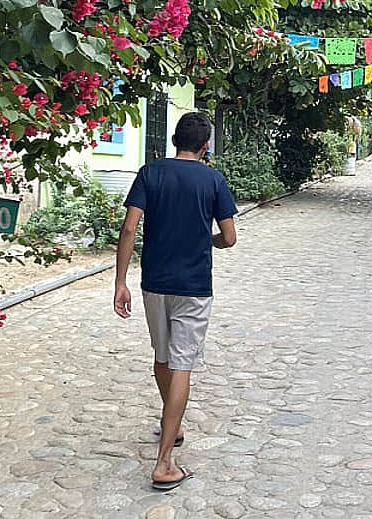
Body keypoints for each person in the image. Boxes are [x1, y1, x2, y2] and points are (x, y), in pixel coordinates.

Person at [113, 112, 238, 491]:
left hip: (154, 282)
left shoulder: (150, 173)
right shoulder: (214, 180)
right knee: (182, 364)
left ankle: (173, 423)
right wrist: (208, 241)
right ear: (206, 146)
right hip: (193, 286)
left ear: (173, 140)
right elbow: (229, 237)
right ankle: (164, 463)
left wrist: (120, 282)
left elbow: (129, 227)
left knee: (162, 358)